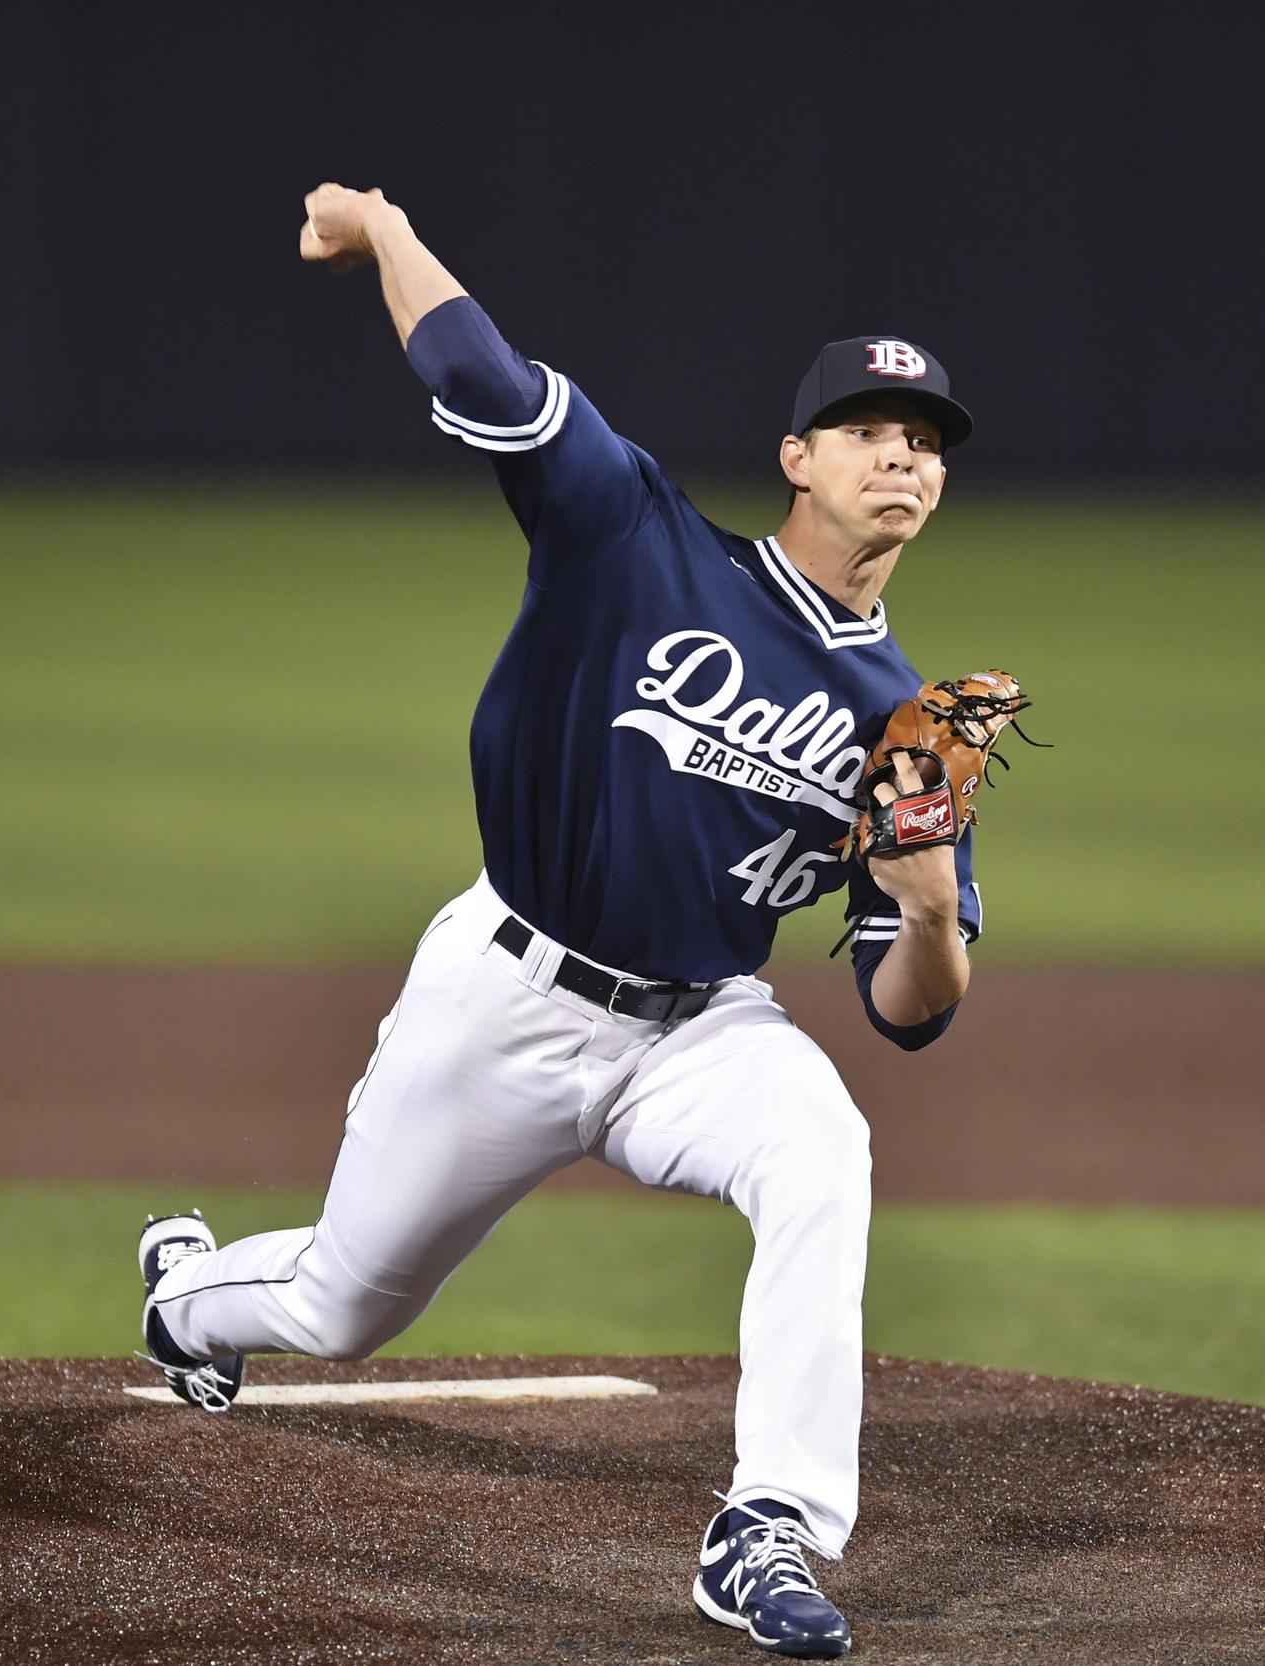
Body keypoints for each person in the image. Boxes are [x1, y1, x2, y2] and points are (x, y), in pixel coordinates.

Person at [135, 182, 990, 1661]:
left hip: (703, 1030)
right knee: (344, 1305)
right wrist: (380, 227)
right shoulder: (636, 531)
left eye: (921, 442)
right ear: (797, 458)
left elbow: (910, 1010)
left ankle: (767, 1525)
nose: (899, 457)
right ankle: (188, 1297)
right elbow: (482, 377)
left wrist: (928, 908)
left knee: (825, 1146)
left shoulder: (903, 733)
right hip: (507, 987)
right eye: (866, 429)